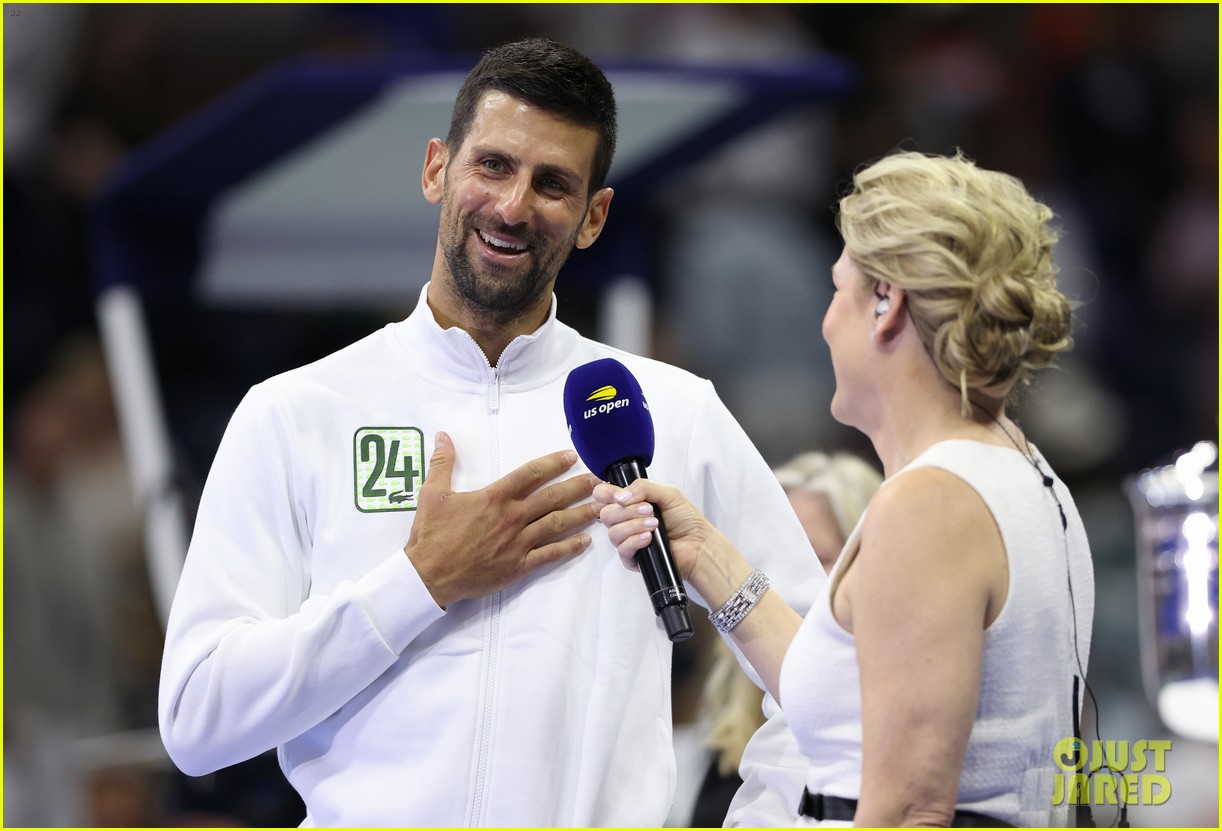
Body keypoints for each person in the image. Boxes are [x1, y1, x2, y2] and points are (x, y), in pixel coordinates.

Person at [157, 37, 823, 826]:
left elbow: (825, 681)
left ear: (593, 216)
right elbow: (197, 716)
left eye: (553, 183)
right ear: (436, 169)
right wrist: (420, 581)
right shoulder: (297, 411)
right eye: (494, 165)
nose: (512, 207)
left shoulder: (675, 411)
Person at [596, 150, 1095, 827]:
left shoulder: (932, 504)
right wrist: (706, 557)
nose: (826, 320)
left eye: (838, 289)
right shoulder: (1018, 473)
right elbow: (848, 709)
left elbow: (912, 808)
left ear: (887, 303)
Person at [690, 451, 881, 827]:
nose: (777, 586)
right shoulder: (732, 729)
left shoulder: (876, 723)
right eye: (760, 568)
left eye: (816, 557)